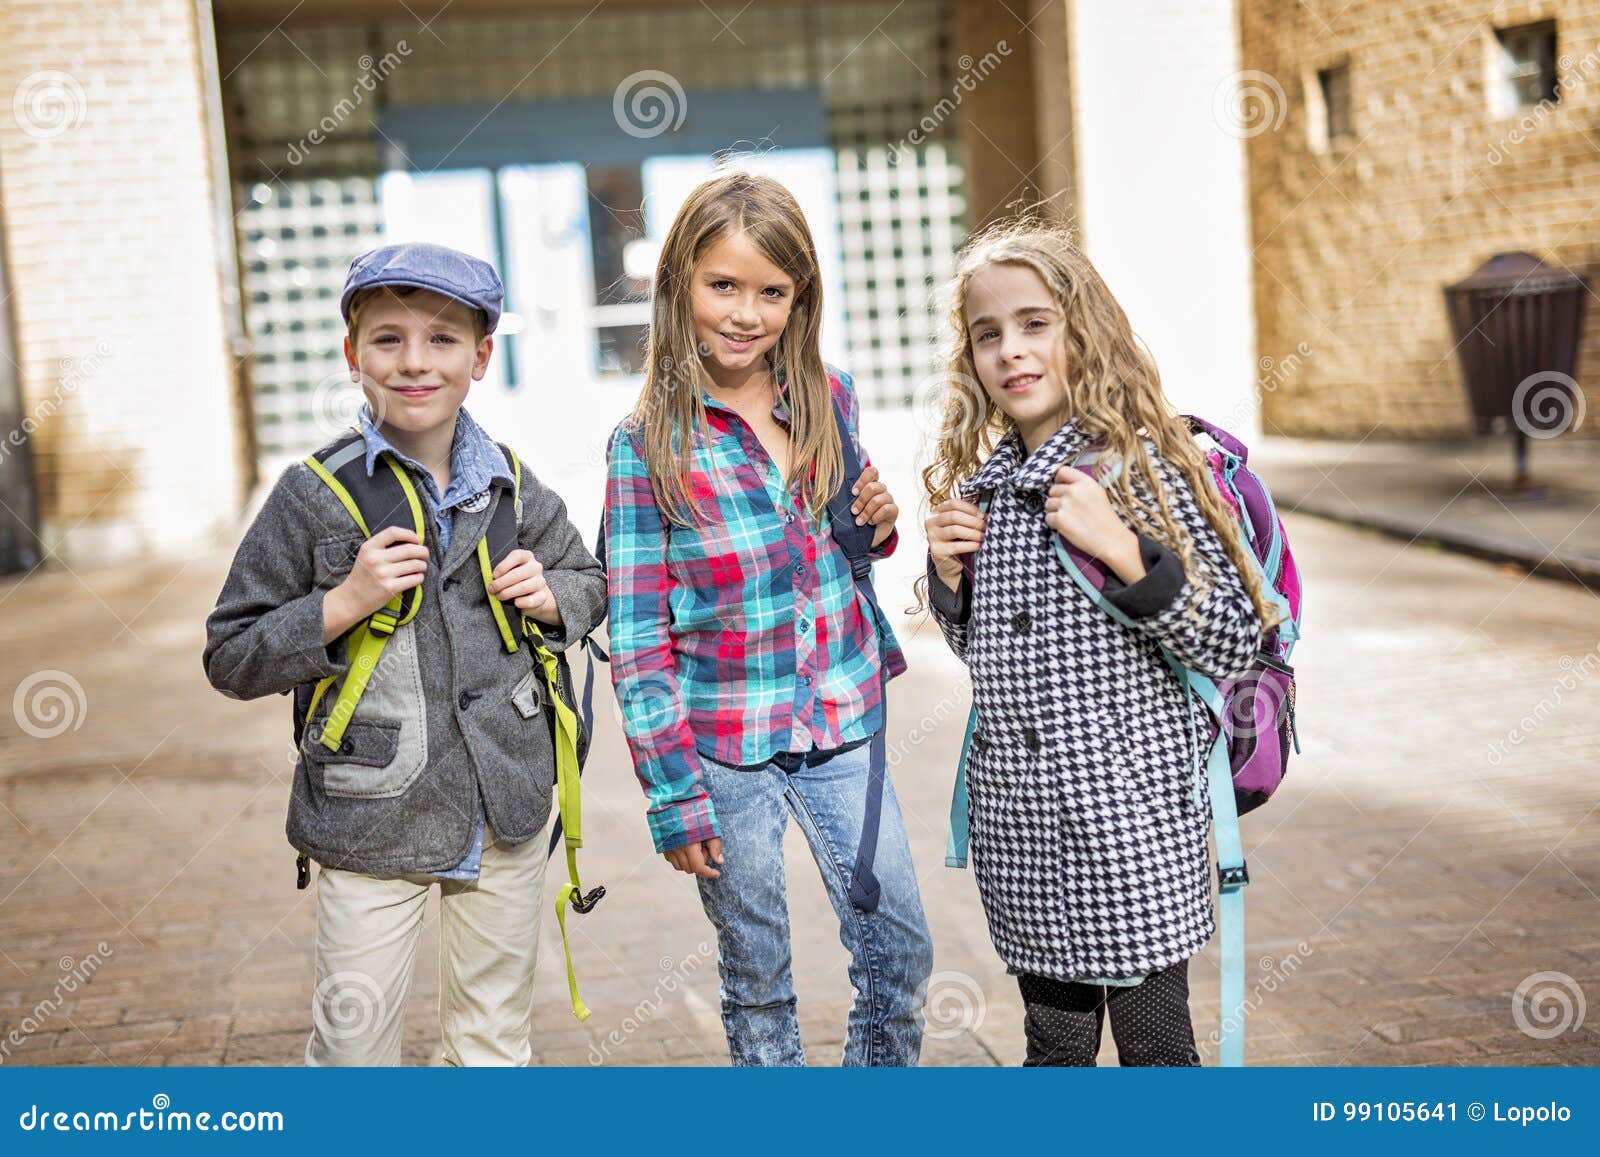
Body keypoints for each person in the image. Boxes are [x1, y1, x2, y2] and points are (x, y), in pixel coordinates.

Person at [204, 242, 606, 1065]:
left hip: (509, 804)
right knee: (354, 1046)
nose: (415, 362)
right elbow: (231, 652)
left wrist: (553, 593)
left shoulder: (514, 486)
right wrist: (341, 605)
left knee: (491, 1040)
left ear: (481, 357)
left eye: (443, 339)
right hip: (368, 814)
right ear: (353, 357)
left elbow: (590, 580)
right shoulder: (312, 494)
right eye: (388, 339)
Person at [921, 220, 1273, 1066]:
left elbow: (1231, 639)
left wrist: (1123, 551)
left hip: (1135, 827)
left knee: (1156, 1052)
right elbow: (994, 660)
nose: (1012, 350)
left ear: (1083, 329)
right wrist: (949, 580)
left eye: (1035, 323)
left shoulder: (1145, 468)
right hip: (1026, 834)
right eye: (988, 333)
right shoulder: (987, 490)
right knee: (1054, 1051)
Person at [603, 172, 933, 1066]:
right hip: (723, 749)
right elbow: (635, 641)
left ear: (801, 297)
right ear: (680, 288)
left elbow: (845, 550)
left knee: (900, 951)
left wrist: (881, 524)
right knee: (759, 982)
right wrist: (673, 794)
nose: (746, 313)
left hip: (842, 721)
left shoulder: (831, 396)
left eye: (771, 292)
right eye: (723, 286)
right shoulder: (646, 446)